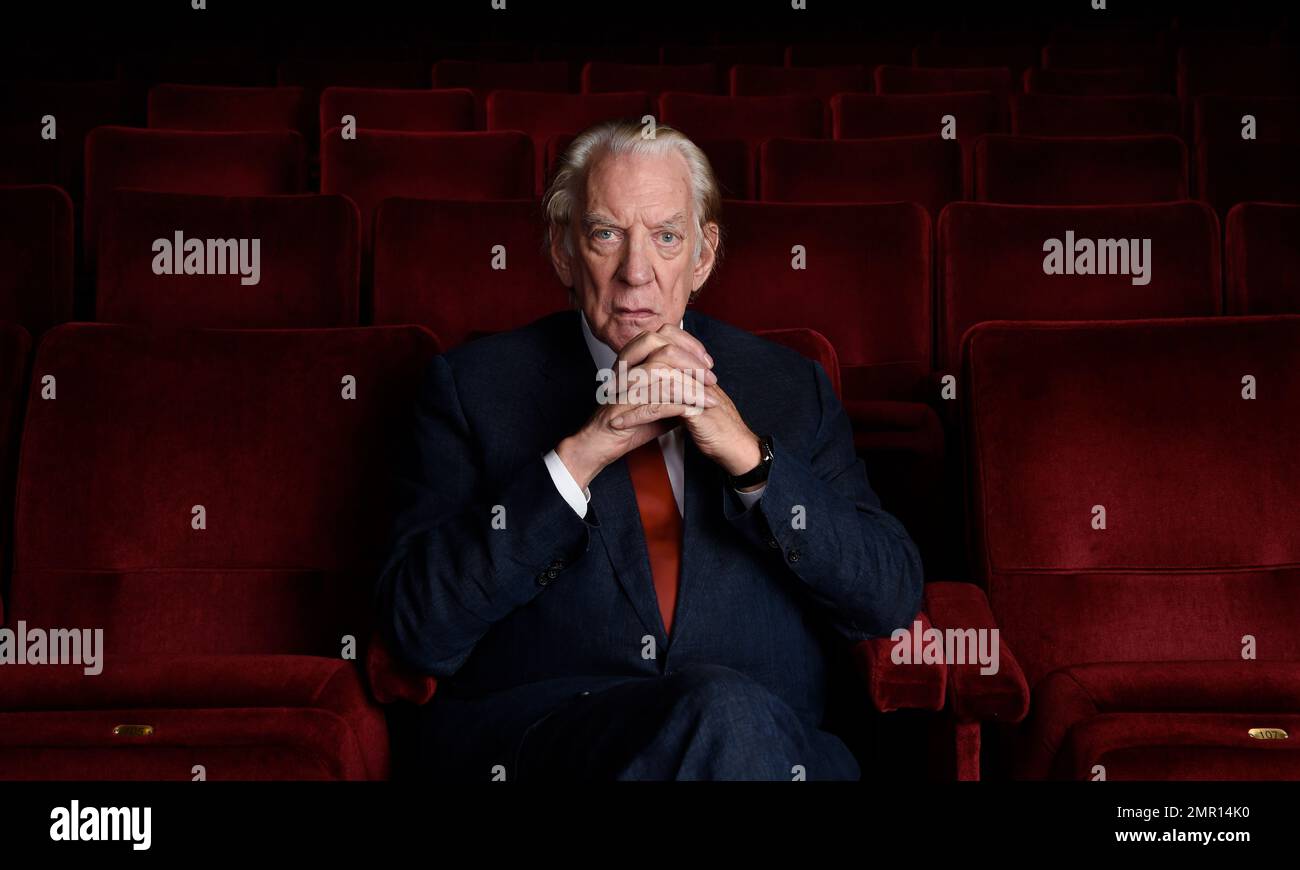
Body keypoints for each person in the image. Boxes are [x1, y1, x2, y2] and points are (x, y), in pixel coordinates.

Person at [374, 119, 923, 780]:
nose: (636, 273)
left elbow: (888, 597)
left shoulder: (790, 386)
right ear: (563, 251)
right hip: (561, 746)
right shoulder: (472, 388)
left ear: (703, 255)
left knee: (729, 715)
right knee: (718, 712)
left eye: (665, 237)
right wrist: (580, 455)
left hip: (771, 749)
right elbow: (419, 627)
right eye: (607, 234)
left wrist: (755, 463)